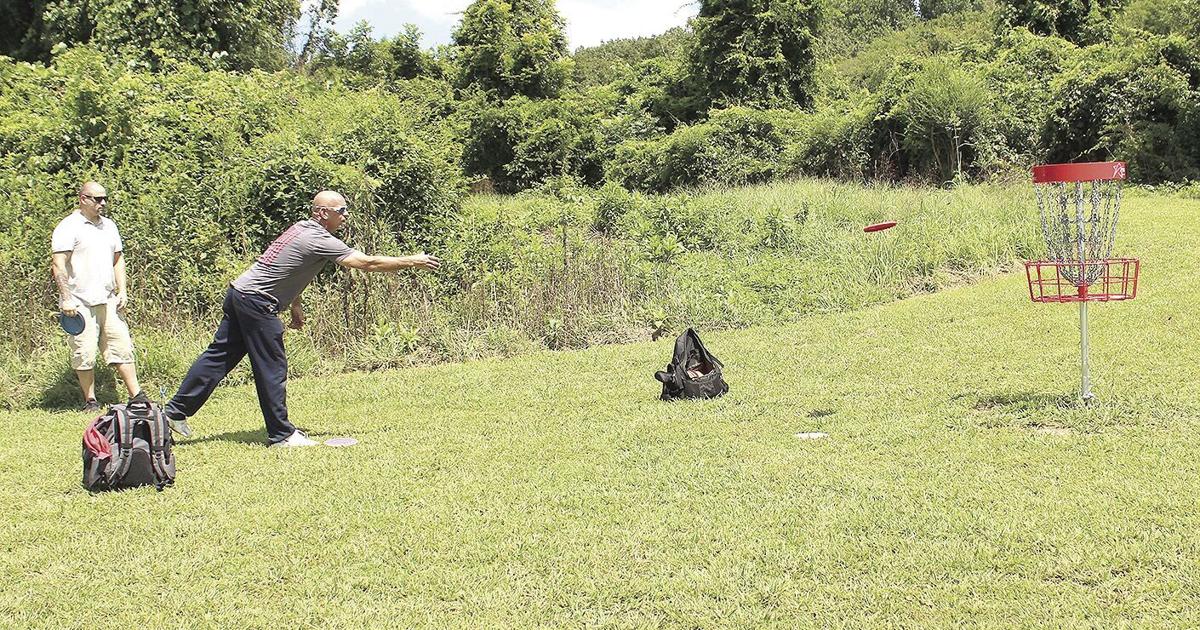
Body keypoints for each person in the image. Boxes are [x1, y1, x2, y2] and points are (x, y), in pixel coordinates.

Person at [164, 190, 440, 447]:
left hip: (240, 294)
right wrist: (412, 260)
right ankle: (281, 434)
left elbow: (289, 267)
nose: (345, 216)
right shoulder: (318, 238)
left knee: (218, 357)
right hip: (258, 303)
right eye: (340, 210)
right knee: (272, 367)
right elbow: (367, 264)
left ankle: (174, 412)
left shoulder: (299, 229)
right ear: (322, 213)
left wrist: (295, 305)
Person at [51, 181, 145, 411]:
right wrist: (66, 298)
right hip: (79, 302)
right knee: (84, 351)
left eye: (105, 199)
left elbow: (118, 259)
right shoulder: (68, 227)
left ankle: (137, 396)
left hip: (108, 298)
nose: (102, 203)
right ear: (83, 198)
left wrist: (122, 290)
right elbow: (58, 264)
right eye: (97, 199)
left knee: (121, 346)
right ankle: (90, 400)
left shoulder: (109, 226)